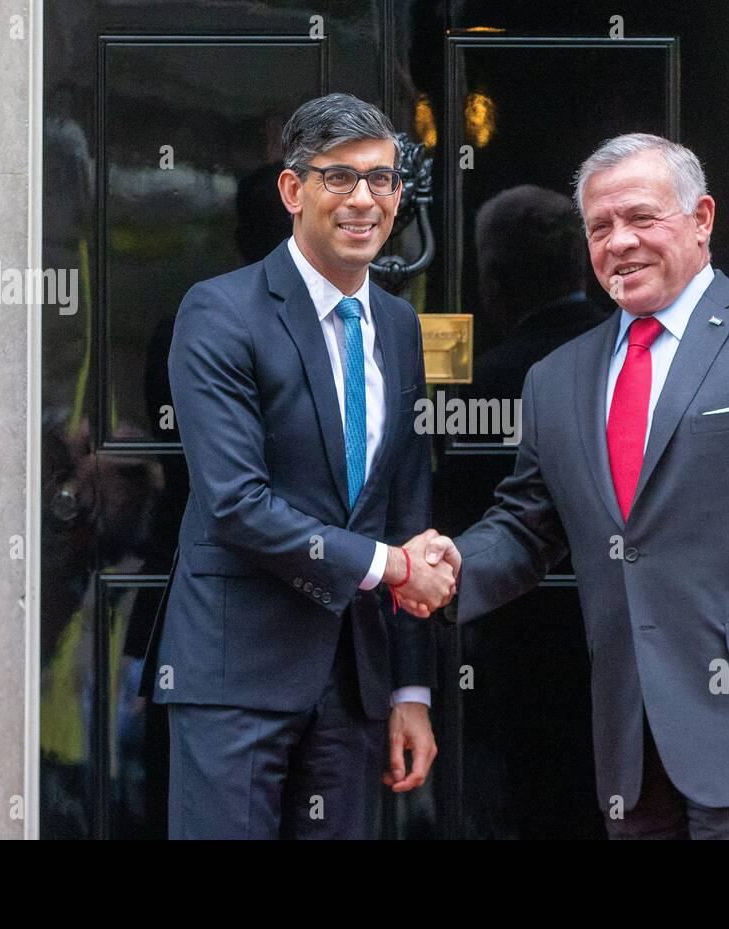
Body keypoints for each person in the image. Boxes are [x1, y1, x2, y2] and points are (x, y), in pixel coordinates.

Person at [418, 133, 729, 839]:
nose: (620, 242)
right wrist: (453, 569)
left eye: (642, 217)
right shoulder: (558, 376)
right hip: (629, 736)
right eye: (601, 226)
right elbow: (525, 523)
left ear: (702, 218)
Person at [139, 93, 456, 839]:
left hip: (354, 685)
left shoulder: (401, 326)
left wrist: (410, 687)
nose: (363, 200)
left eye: (381, 180)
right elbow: (236, 502)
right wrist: (395, 567)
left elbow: (406, 504)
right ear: (293, 190)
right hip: (235, 675)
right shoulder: (220, 312)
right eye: (338, 178)